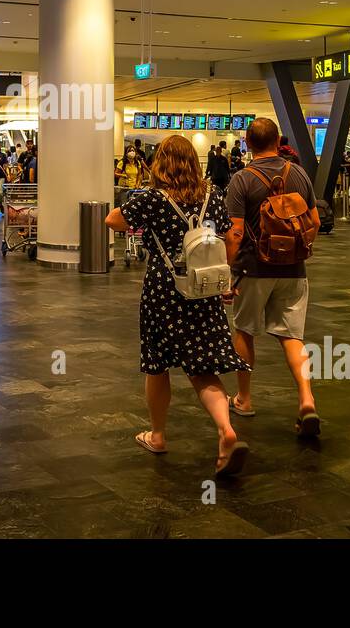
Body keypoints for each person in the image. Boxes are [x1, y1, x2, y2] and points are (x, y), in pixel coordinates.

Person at [104, 134, 251, 477]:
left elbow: (113, 220)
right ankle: (225, 428)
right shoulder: (213, 198)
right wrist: (227, 280)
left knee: (157, 364)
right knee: (202, 366)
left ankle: (157, 435)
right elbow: (230, 236)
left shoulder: (152, 199)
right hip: (205, 290)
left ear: (161, 164)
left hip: (164, 290)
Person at [223, 117, 320, 437]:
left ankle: (245, 399)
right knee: (292, 337)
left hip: (253, 268)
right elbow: (315, 221)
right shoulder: (300, 174)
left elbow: (236, 232)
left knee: (245, 331)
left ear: (248, 144)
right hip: (294, 269)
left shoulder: (241, 179)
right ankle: (307, 401)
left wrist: (228, 270)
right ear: (278, 141)